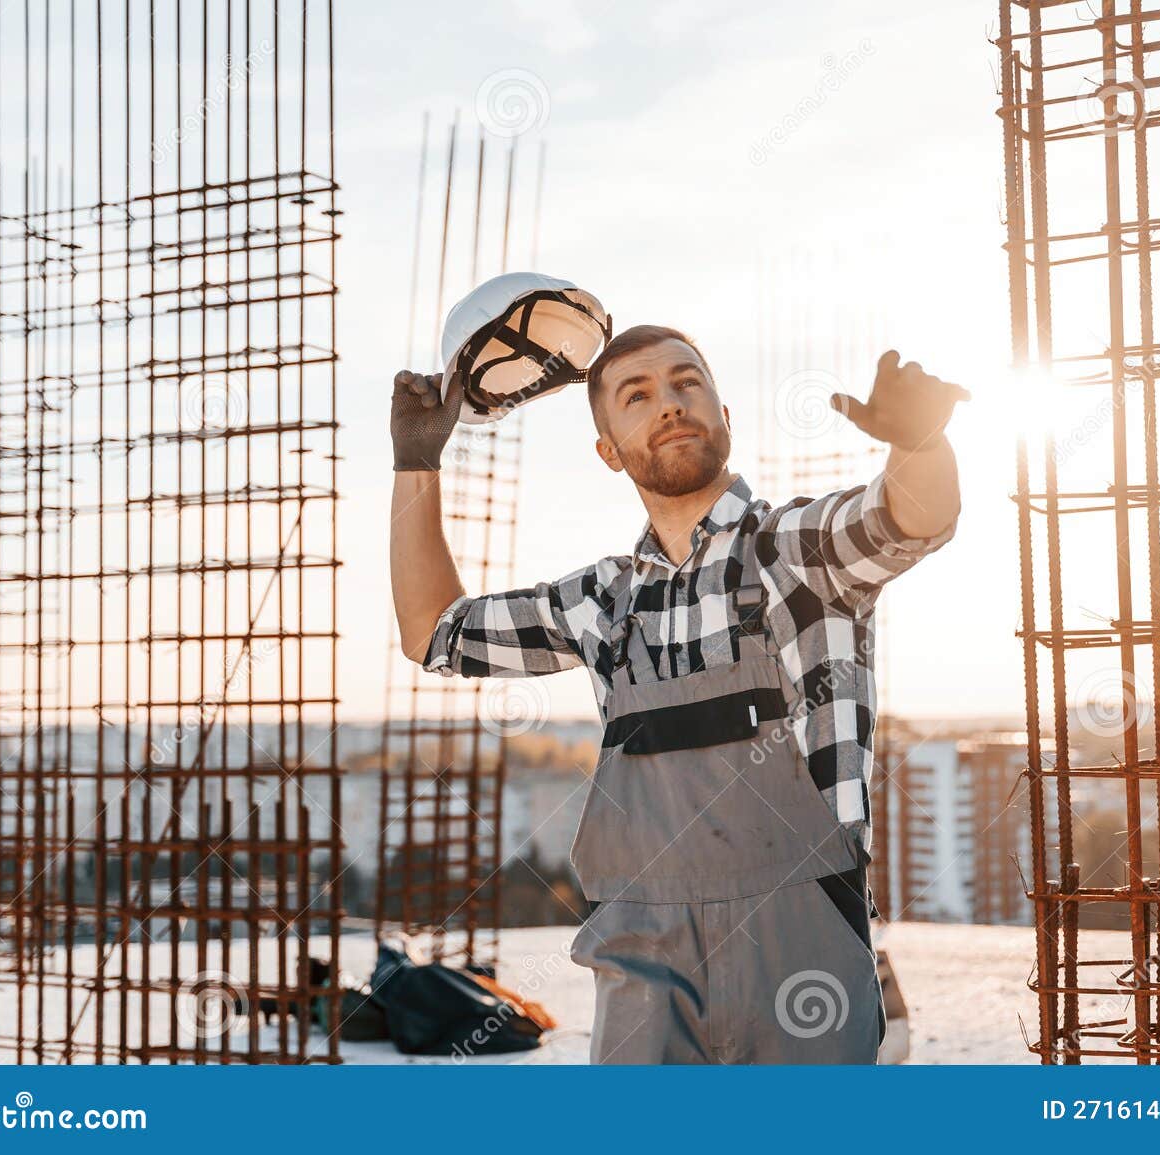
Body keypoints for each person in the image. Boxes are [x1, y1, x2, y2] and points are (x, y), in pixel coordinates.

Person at [388, 323, 966, 1063]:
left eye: (687, 382)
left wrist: (919, 444)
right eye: (638, 394)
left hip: (803, 950)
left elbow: (909, 517)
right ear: (609, 450)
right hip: (642, 957)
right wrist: (415, 463)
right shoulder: (601, 602)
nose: (669, 403)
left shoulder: (797, 552)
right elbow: (434, 632)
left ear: (726, 416)